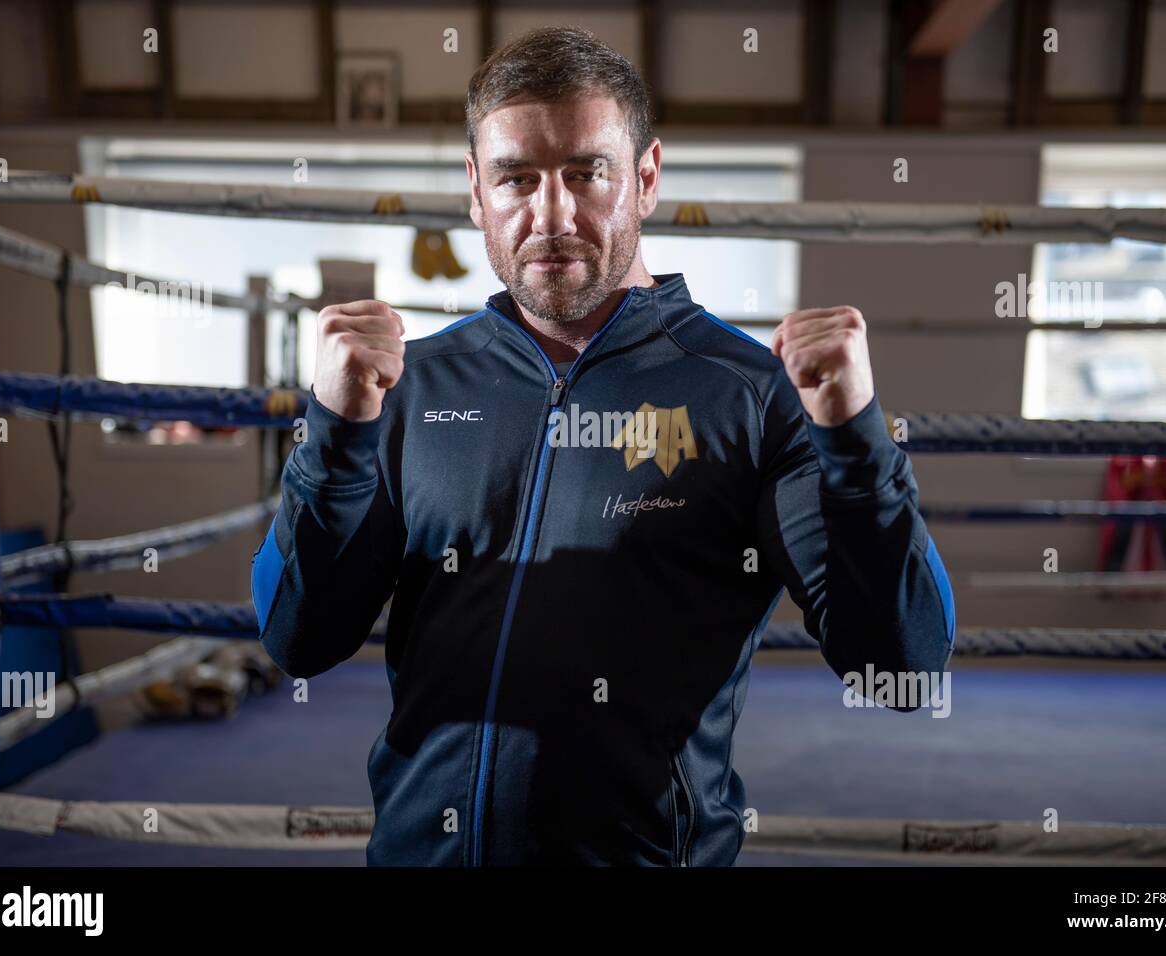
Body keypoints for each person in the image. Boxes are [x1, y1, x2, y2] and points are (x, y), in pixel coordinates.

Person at [251, 26, 955, 866]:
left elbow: (903, 667)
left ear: (646, 178)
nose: (551, 215)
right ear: (476, 190)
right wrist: (334, 436)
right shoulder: (412, 386)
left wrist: (854, 440)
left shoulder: (751, 395)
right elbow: (299, 639)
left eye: (586, 173)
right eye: (516, 178)